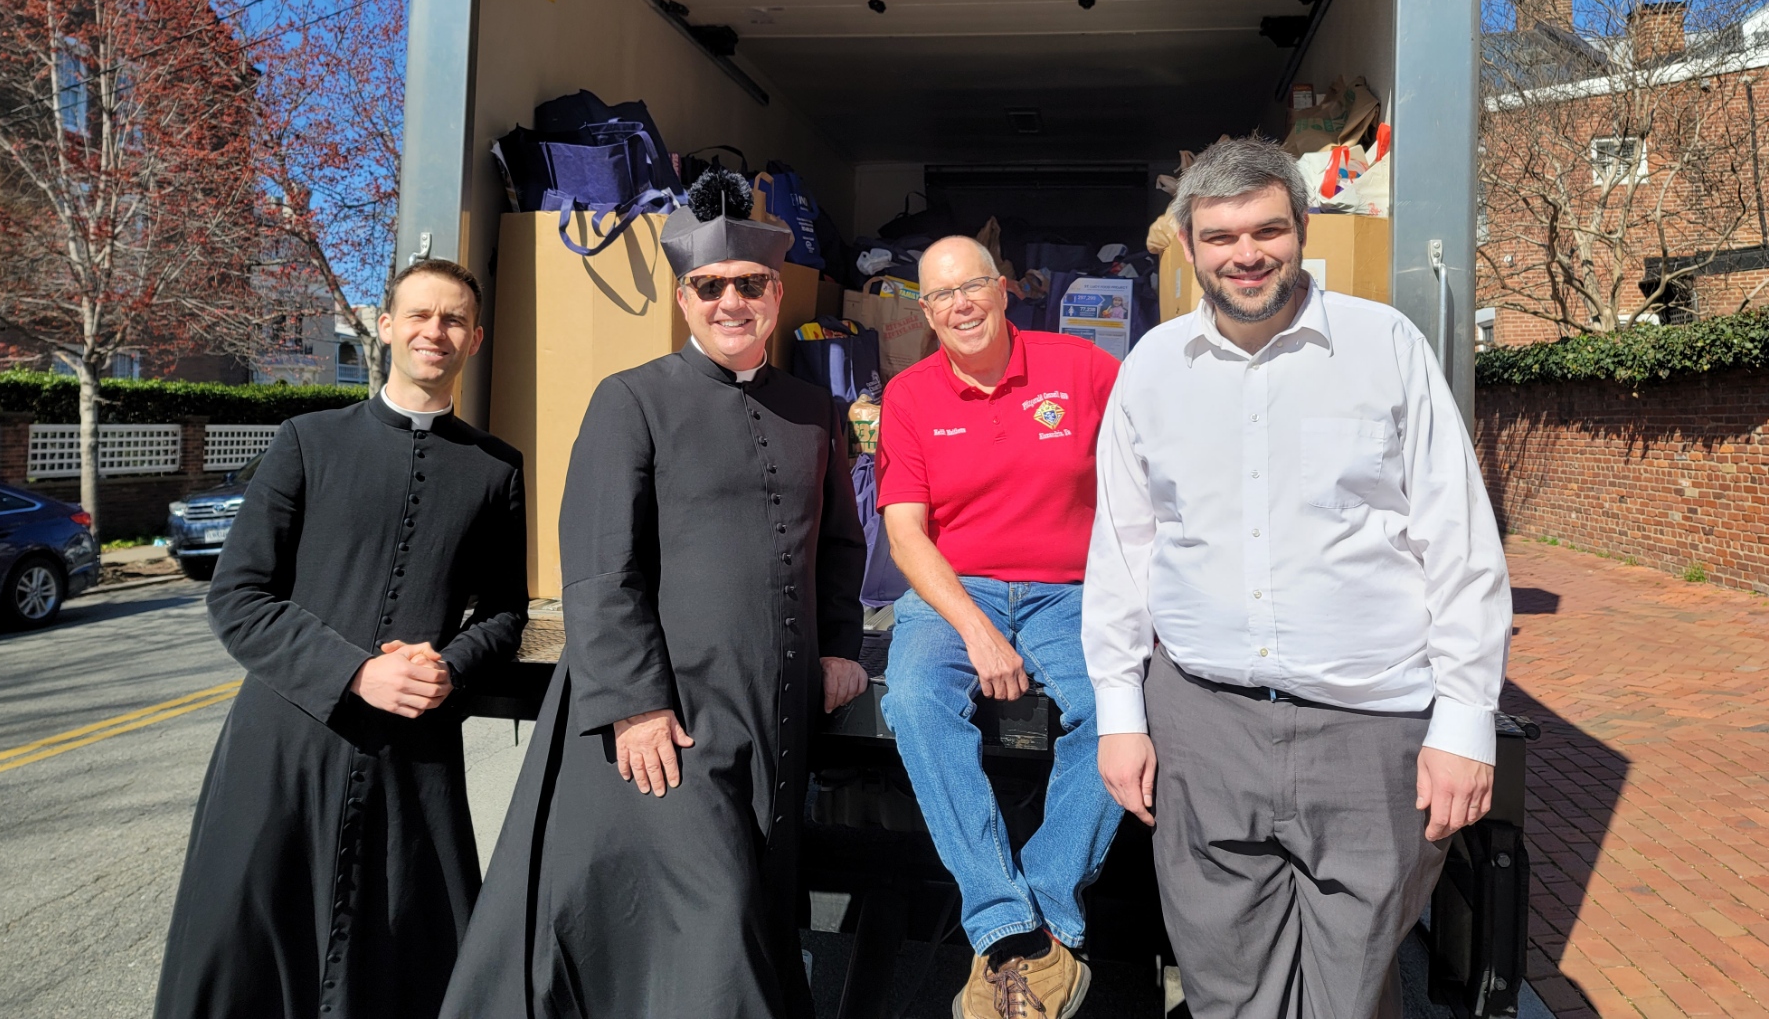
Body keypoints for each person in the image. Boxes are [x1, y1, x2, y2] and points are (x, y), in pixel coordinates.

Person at [1086, 138, 1512, 1019]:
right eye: (1220, 236)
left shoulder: (1384, 346)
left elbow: (1459, 539)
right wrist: (1120, 714)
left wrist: (1466, 720)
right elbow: (1123, 550)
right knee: (1221, 985)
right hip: (1201, 725)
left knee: (1348, 992)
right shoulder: (1150, 372)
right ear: (1188, 244)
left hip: (1369, 733)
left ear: (1300, 227)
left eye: (1266, 229)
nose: (1245, 253)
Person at [440, 170, 868, 1019]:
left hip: (772, 718)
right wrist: (634, 703)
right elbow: (598, 565)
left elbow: (839, 544)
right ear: (683, 298)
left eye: (749, 286)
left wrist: (836, 647)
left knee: (745, 911)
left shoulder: (813, 408)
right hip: (669, 716)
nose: (731, 302)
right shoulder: (629, 398)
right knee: (715, 918)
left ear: (776, 294)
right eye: (710, 288)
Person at [154, 260, 527, 1019]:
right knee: (250, 958)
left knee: (402, 959)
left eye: (453, 319)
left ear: (476, 339)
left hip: (411, 757)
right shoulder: (306, 441)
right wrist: (355, 672)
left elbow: (505, 612)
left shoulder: (497, 469)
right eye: (418, 315)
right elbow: (239, 595)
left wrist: (448, 668)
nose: (435, 331)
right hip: (285, 746)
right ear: (385, 326)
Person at [876, 236, 1126, 1019]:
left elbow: (1150, 471)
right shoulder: (910, 395)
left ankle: (1042, 912)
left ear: (1004, 288)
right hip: (956, 589)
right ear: (924, 309)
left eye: (974, 284)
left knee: (1118, 706)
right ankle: (1005, 922)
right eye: (942, 294)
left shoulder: (1081, 369)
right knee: (912, 697)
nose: (960, 304)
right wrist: (977, 630)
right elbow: (906, 533)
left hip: (1067, 589)